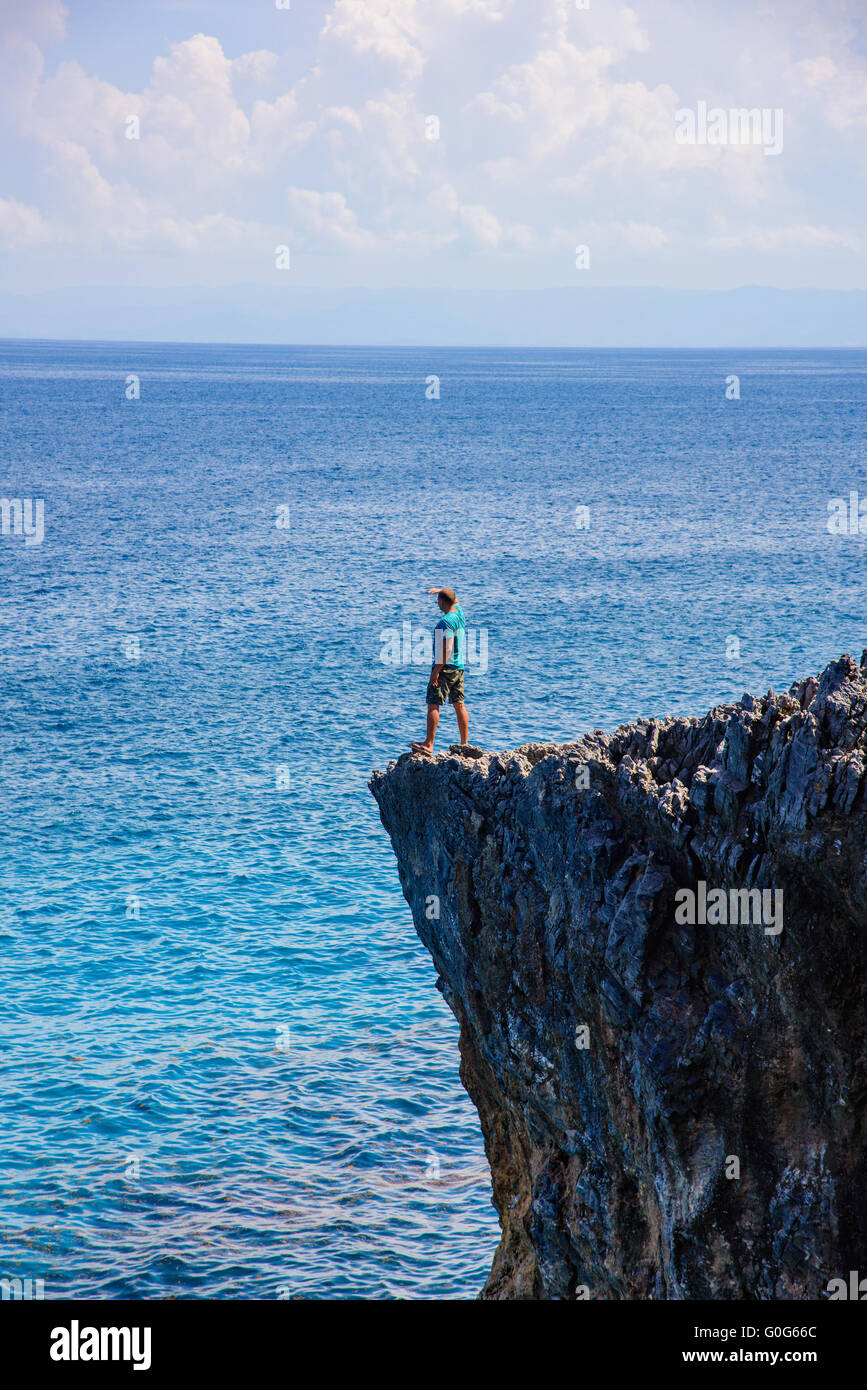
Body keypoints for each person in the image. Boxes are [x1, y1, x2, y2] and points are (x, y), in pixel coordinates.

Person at [410, 587, 469, 754]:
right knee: (459, 704)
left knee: (433, 704)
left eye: (438, 600)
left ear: (443, 602)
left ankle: (428, 744)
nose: (437, 604)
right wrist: (441, 590)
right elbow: (456, 600)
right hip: (459, 667)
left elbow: (447, 649)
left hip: (445, 668)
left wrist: (436, 671)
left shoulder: (446, 621)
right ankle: (464, 745)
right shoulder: (459, 612)